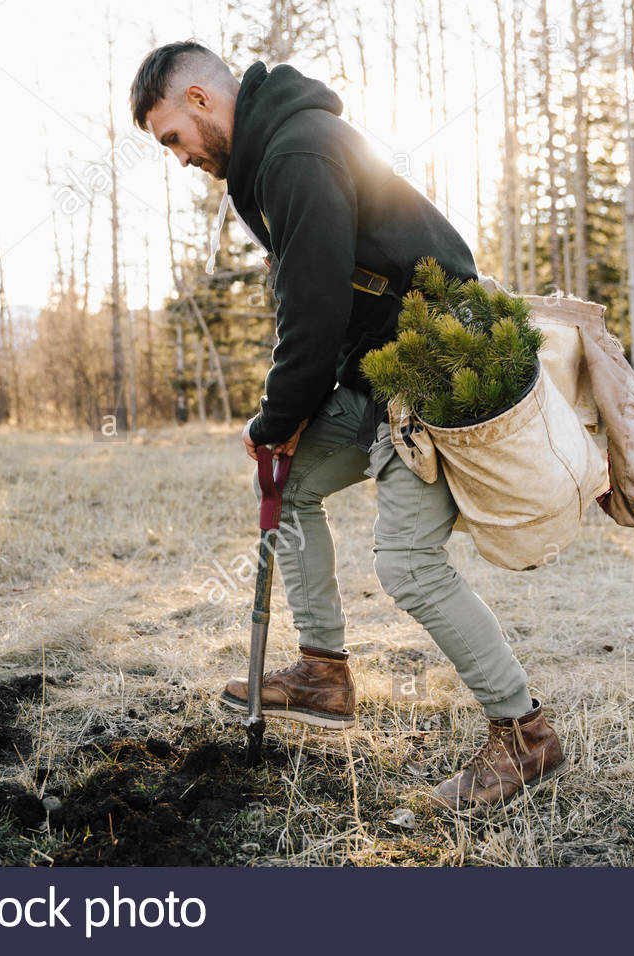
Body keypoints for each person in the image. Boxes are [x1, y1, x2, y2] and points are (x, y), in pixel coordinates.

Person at [130, 41, 568, 810]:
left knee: (406, 563)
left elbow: (314, 310)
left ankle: (525, 734)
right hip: (379, 367)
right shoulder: (273, 159)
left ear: (201, 101)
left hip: (438, 361)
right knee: (289, 481)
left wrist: (278, 414)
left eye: (173, 138)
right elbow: (336, 303)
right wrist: (291, 425)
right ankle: (322, 671)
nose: (179, 158)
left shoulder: (296, 153)